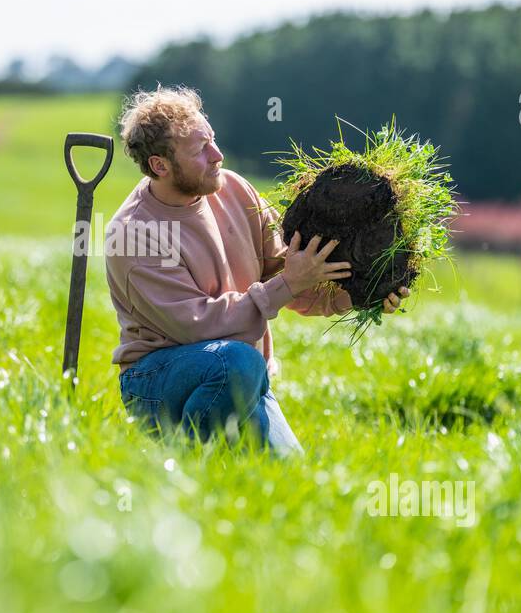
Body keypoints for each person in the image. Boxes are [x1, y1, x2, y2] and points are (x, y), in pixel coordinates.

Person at [104, 86, 409, 457]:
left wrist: (359, 294)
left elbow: (292, 272)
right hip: (158, 380)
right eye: (200, 149)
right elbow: (197, 326)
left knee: (291, 484)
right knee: (236, 360)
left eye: (212, 140)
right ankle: (184, 469)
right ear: (160, 165)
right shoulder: (135, 233)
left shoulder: (235, 190)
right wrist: (288, 283)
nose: (217, 155)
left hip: (242, 377)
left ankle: (214, 457)